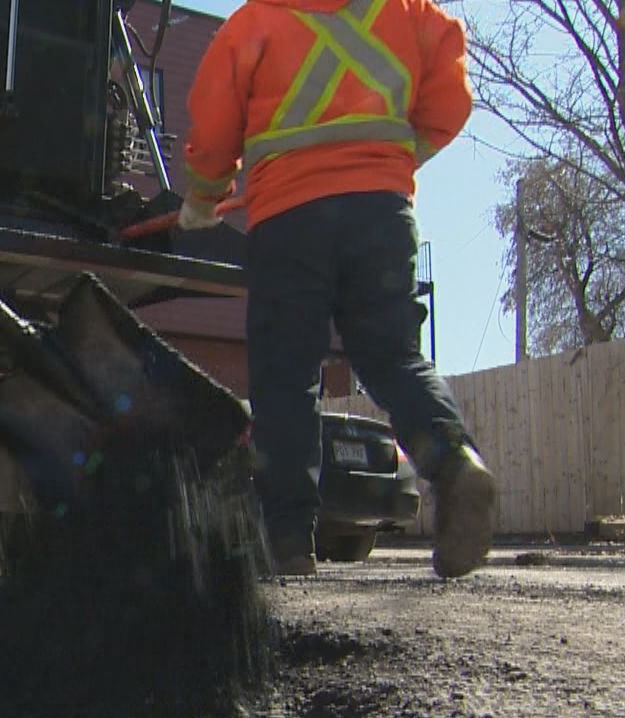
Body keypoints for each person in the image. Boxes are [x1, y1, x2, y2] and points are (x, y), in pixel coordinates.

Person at [179, 0, 496, 579]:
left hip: (289, 220)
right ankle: (454, 461)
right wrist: (395, 160)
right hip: (382, 214)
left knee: (286, 375)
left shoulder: (255, 23)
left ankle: (288, 541)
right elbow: (450, 97)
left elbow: (215, 122)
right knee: (394, 357)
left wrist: (203, 195)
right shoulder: (409, 12)